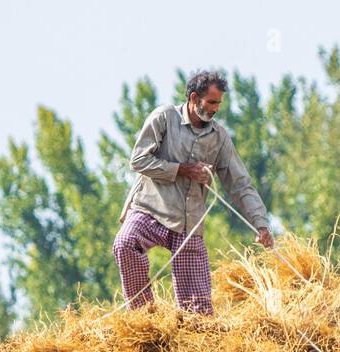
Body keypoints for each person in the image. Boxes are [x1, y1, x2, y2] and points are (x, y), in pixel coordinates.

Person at [112, 69, 273, 315]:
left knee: (199, 314)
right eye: (211, 102)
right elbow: (138, 160)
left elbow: (240, 184)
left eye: (219, 103)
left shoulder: (219, 137)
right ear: (194, 97)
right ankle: (145, 318)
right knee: (125, 243)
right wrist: (182, 170)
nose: (216, 109)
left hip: (189, 223)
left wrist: (260, 224)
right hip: (150, 209)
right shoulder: (164, 117)